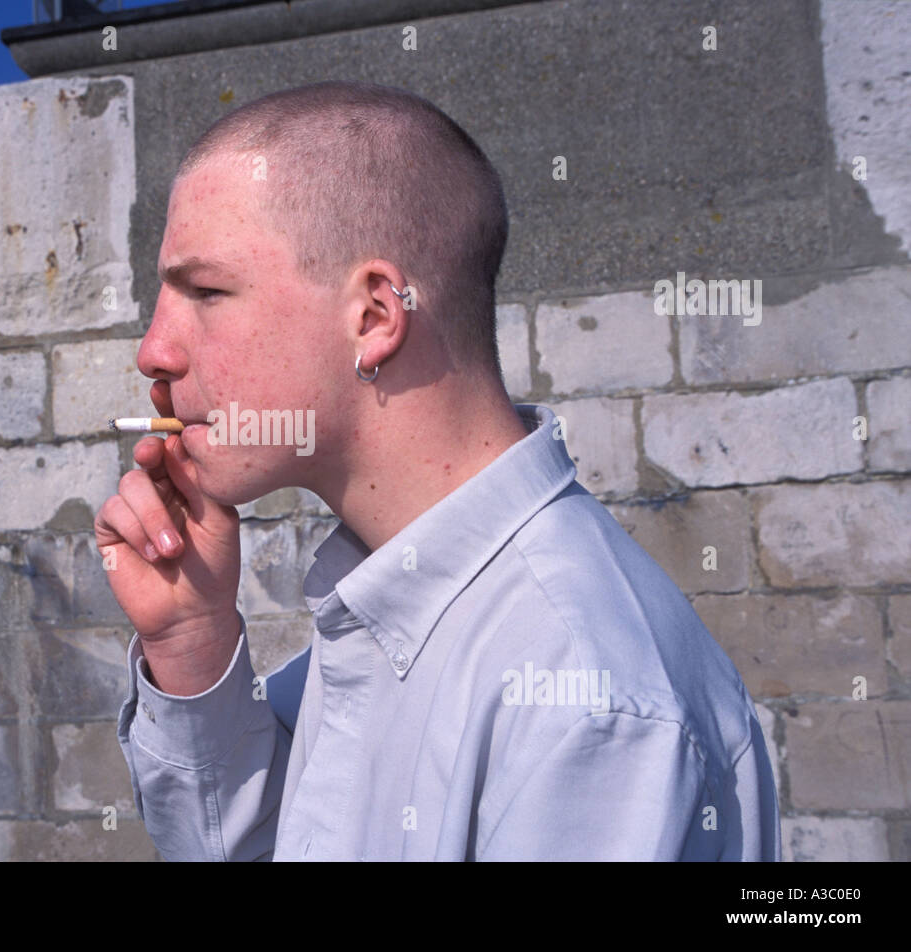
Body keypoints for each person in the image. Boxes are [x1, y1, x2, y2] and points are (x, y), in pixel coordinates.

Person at [94, 80, 781, 861]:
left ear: (376, 317)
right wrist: (193, 645)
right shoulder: (399, 607)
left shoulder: (584, 702)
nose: (154, 350)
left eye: (207, 291)